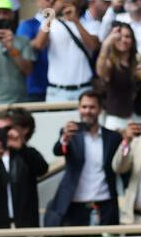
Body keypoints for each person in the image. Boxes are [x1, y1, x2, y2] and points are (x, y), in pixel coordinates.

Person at [44, 91, 121, 228]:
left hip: (105, 203)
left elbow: (120, 165)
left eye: (92, 107)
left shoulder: (113, 137)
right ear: (79, 108)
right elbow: (57, 150)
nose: (88, 111)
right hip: (75, 204)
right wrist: (65, 139)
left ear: (100, 110)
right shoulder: (70, 134)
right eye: (84, 107)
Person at [0, 112, 47, 231]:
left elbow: (42, 169)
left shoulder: (26, 154)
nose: (3, 133)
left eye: (6, 129)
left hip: (26, 225)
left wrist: (21, 146)